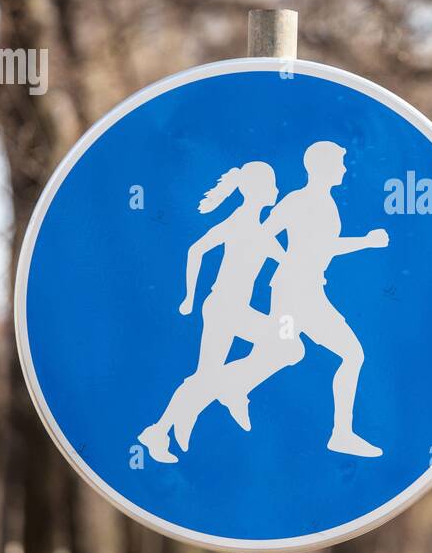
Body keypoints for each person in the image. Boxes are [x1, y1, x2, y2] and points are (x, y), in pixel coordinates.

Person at [198, 140, 388, 457]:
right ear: (324, 167)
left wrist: (288, 257)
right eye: (339, 163)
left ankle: (231, 386)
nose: (344, 169)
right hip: (295, 295)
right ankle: (340, 433)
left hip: (303, 291)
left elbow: (294, 241)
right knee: (345, 354)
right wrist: (365, 241)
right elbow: (277, 237)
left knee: (285, 349)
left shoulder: (320, 202)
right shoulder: (301, 201)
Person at [137, 161, 283, 463]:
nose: (277, 189)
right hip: (223, 308)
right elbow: (197, 250)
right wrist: (189, 297)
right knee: (282, 345)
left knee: (286, 343)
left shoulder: (259, 228)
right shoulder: (240, 221)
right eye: (272, 184)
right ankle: (164, 427)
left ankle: (168, 425)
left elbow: (287, 261)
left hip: (236, 310)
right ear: (259, 191)